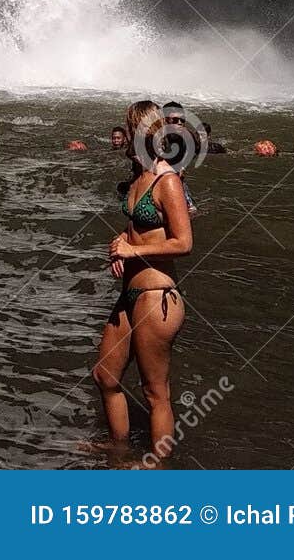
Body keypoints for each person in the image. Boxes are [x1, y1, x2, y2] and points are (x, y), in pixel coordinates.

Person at [93, 100, 192, 456]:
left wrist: (133, 251)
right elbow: (139, 228)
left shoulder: (168, 181)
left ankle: (160, 466)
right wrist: (121, 241)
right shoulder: (139, 178)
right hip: (130, 294)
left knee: (155, 392)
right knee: (106, 375)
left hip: (157, 297)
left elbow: (184, 243)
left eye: (130, 129)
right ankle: (118, 450)